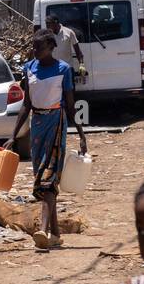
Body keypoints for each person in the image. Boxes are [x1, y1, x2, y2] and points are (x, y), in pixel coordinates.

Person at [7, 30, 87, 252]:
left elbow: (71, 106)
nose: (35, 51)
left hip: (56, 123)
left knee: (48, 178)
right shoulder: (29, 68)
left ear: (51, 46)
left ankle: (42, 230)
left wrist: (81, 135)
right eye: (33, 47)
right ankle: (56, 233)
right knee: (42, 178)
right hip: (37, 126)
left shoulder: (63, 70)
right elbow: (26, 105)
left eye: (39, 47)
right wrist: (13, 136)